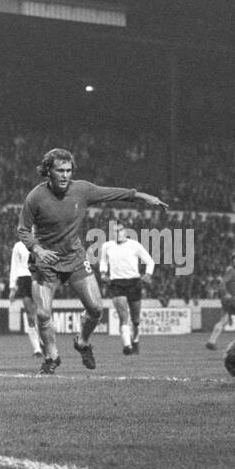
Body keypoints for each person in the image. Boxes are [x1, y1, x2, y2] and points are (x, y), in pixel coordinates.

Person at [18, 148, 167, 374]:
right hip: (46, 261)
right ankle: (51, 357)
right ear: (48, 171)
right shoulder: (35, 197)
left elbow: (114, 193)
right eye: (60, 170)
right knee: (42, 314)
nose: (65, 175)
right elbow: (23, 230)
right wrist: (37, 250)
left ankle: (83, 342)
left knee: (96, 308)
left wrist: (143, 196)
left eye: (69, 170)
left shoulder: (82, 190)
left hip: (75, 258)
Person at [100, 223, 155, 355]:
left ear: (125, 232)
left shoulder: (134, 245)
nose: (117, 233)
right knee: (123, 316)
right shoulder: (107, 246)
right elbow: (103, 261)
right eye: (114, 231)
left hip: (134, 283)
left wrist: (148, 274)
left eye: (119, 230)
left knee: (135, 320)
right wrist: (103, 273)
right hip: (117, 284)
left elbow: (150, 261)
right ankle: (127, 345)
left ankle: (135, 341)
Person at [8, 239, 43, 358]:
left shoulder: (41, 243)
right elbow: (14, 266)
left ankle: (44, 341)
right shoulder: (18, 246)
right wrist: (12, 287)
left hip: (39, 278)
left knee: (42, 314)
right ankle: (37, 349)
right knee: (30, 315)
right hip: (24, 279)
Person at [206, 261, 235, 350]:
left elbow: (234, 286)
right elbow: (222, 283)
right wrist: (225, 294)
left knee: (224, 320)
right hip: (234, 298)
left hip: (229, 299)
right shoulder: (232, 271)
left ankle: (211, 341)